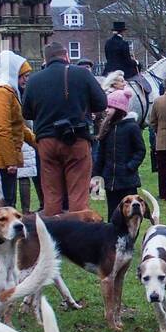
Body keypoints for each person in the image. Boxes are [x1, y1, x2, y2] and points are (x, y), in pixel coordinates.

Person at [22, 41, 107, 216]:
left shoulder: (34, 80)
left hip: (46, 142)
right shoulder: (82, 74)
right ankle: (76, 235)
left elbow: (27, 112)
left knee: (52, 196)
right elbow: (101, 103)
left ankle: (53, 236)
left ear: (45, 59)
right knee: (78, 195)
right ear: (66, 55)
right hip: (76, 139)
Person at [0, 50, 35, 207]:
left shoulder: (7, 91)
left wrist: (38, 144)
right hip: (0, 156)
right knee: (5, 202)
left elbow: (17, 126)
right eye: (24, 76)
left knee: (6, 200)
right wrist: (10, 161)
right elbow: (3, 129)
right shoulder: (2, 94)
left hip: (2, 153)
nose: (26, 80)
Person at [94, 88, 146, 216]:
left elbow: (140, 150)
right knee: (113, 213)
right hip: (110, 180)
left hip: (127, 180)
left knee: (129, 213)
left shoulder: (132, 127)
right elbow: (101, 154)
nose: (106, 110)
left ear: (119, 109)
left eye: (110, 107)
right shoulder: (107, 127)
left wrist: (130, 167)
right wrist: (96, 175)